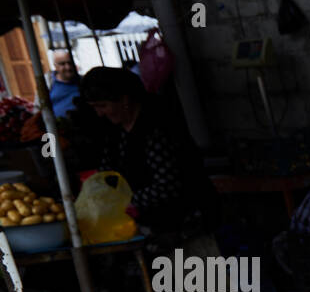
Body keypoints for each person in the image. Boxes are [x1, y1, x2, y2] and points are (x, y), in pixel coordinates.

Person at [80, 66, 215, 232]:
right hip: (145, 223)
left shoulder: (158, 127)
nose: (99, 113)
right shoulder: (115, 131)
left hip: (183, 221)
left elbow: (168, 185)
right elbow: (107, 172)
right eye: (94, 107)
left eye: (103, 105)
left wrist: (125, 203)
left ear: (125, 100)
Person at [47, 49, 80, 118]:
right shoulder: (48, 83)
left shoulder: (83, 82)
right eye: (62, 64)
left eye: (70, 63)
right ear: (55, 66)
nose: (68, 67)